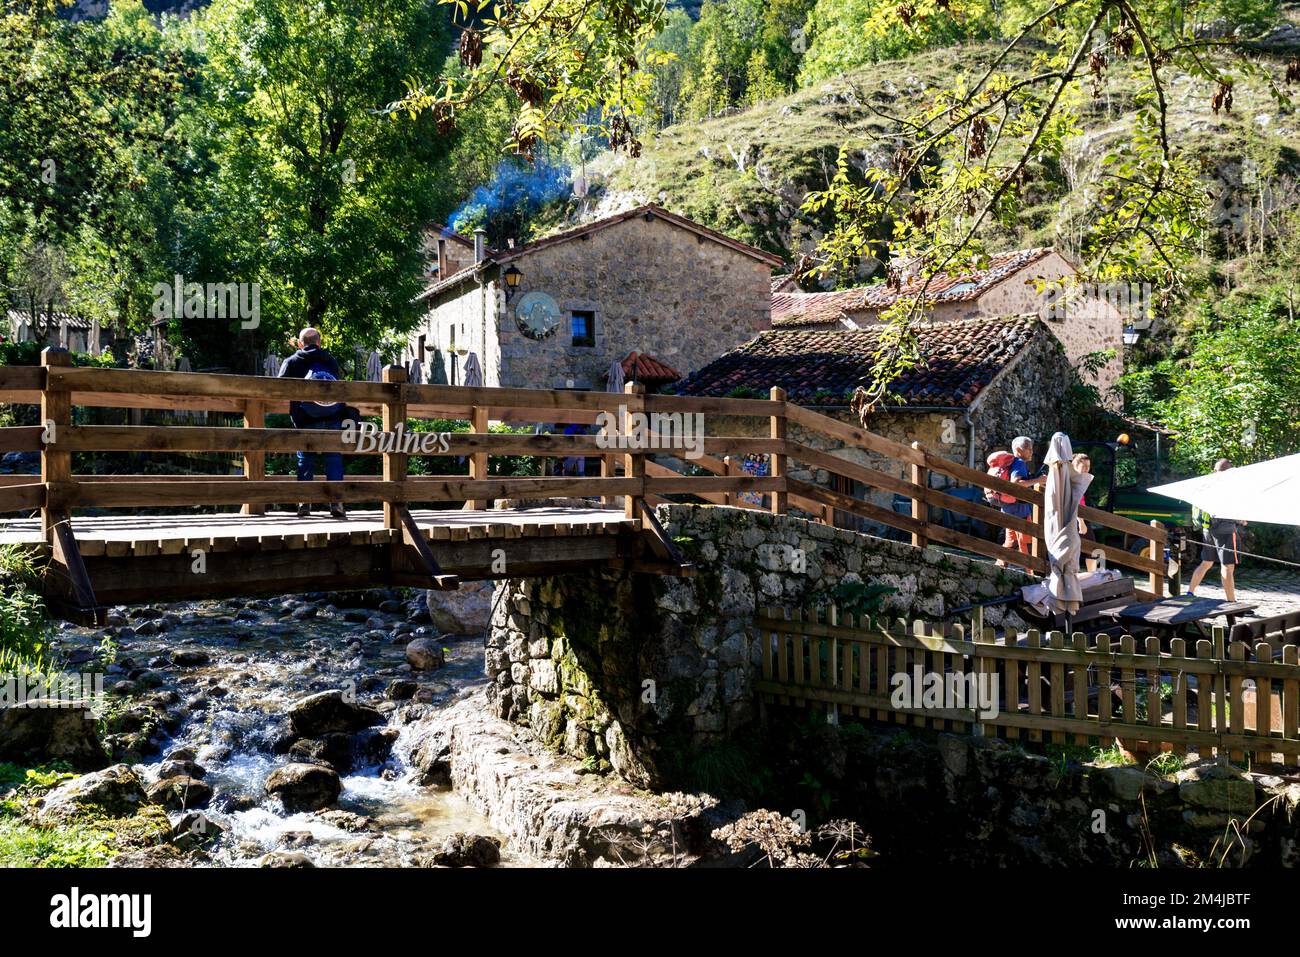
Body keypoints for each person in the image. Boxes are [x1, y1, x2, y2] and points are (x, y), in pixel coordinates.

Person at [278, 328, 348, 520]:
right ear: (319, 342)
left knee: (305, 459)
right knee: (333, 458)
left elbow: (277, 388)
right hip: (332, 417)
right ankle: (337, 503)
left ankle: (304, 503)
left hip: (304, 418)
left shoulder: (292, 361)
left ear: (301, 343)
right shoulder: (329, 360)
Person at [1186, 458, 1245, 601]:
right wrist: (1240, 520)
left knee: (1206, 563)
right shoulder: (1226, 487)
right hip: (1225, 531)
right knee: (1227, 567)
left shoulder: (1205, 485)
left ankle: (1190, 593)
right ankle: (1231, 602)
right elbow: (1227, 510)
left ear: (1214, 470)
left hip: (1208, 530)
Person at [998, 435, 1044, 565]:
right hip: (1018, 510)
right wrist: (1039, 480)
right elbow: (1016, 483)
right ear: (1018, 449)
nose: (1031, 451)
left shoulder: (1015, 463)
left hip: (1012, 508)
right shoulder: (1019, 463)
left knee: (1013, 542)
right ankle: (1031, 572)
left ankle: (1000, 567)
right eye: (1028, 449)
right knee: (1025, 544)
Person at [1072, 452, 1097, 572]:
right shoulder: (1074, 481)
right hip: (1077, 519)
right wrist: (1080, 521)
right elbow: (1074, 502)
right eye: (1084, 466)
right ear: (1075, 467)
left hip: (1084, 518)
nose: (1087, 468)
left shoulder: (1084, 480)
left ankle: (1092, 575)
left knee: (1090, 548)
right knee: (1088, 548)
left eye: (1088, 466)